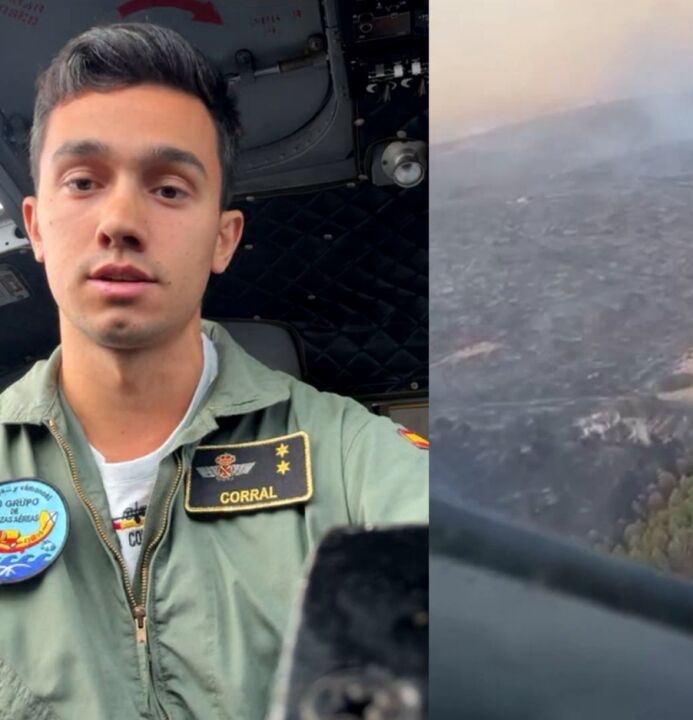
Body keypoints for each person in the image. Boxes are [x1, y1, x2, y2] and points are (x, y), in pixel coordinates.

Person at [0, 22, 428, 719]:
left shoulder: (352, 458)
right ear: (38, 225)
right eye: (82, 181)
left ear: (223, 238)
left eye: (169, 189)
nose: (120, 221)